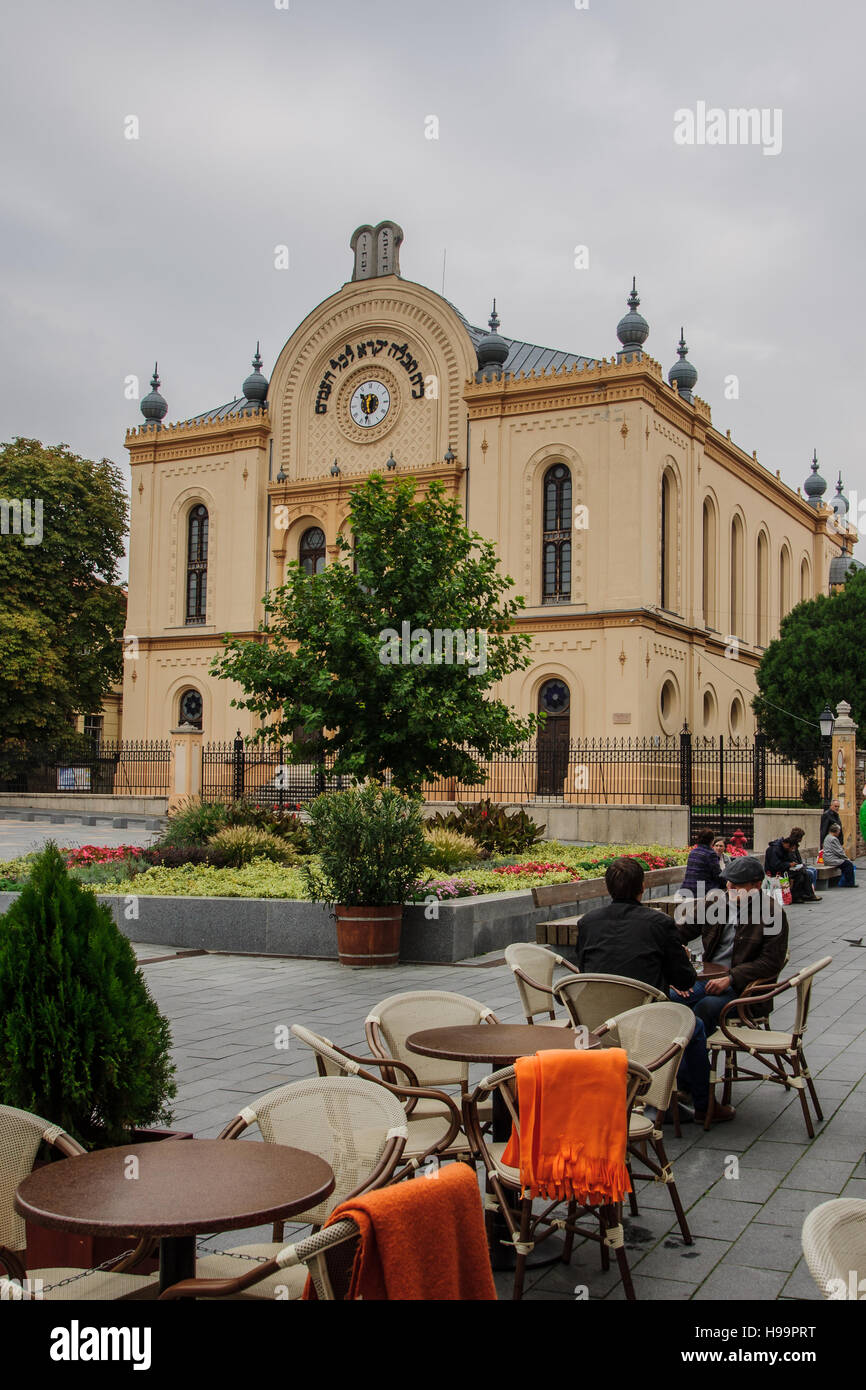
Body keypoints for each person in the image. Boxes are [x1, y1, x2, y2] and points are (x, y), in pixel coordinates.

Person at [577, 857, 734, 1125]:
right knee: (693, 1024)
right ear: (643, 888)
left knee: (684, 1007)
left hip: (595, 1025)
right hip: (644, 1021)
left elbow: (585, 971)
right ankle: (703, 1105)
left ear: (607, 888)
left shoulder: (587, 923)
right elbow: (684, 981)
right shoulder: (658, 923)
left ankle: (664, 1092)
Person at [674, 854, 789, 1033]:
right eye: (728, 882)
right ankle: (680, 1055)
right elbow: (679, 931)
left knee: (705, 1008)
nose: (730, 888)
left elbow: (771, 962)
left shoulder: (772, 913)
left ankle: (696, 1056)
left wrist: (731, 978)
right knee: (668, 997)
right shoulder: (716, 903)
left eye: (738, 885)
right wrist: (674, 970)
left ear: (757, 886)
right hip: (707, 978)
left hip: (745, 990)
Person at [764, 828, 820, 903]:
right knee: (802, 873)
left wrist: (794, 865)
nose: (792, 850)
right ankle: (804, 895)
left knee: (801, 873)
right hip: (775, 872)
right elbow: (775, 865)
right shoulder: (775, 849)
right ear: (787, 845)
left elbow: (788, 860)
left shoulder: (784, 848)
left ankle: (802, 895)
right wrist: (789, 864)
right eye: (792, 849)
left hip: (783, 870)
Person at [679, 829, 726, 898]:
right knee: (724, 889)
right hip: (700, 890)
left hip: (686, 889)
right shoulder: (710, 853)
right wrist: (727, 883)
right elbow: (717, 874)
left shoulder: (693, 852)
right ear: (712, 841)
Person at [822, 822, 857, 887]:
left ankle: (845, 881)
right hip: (831, 859)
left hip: (828, 859)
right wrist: (847, 859)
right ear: (836, 831)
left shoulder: (827, 837)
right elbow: (839, 852)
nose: (839, 832)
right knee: (848, 864)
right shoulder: (833, 839)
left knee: (846, 864)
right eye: (839, 831)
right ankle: (849, 883)